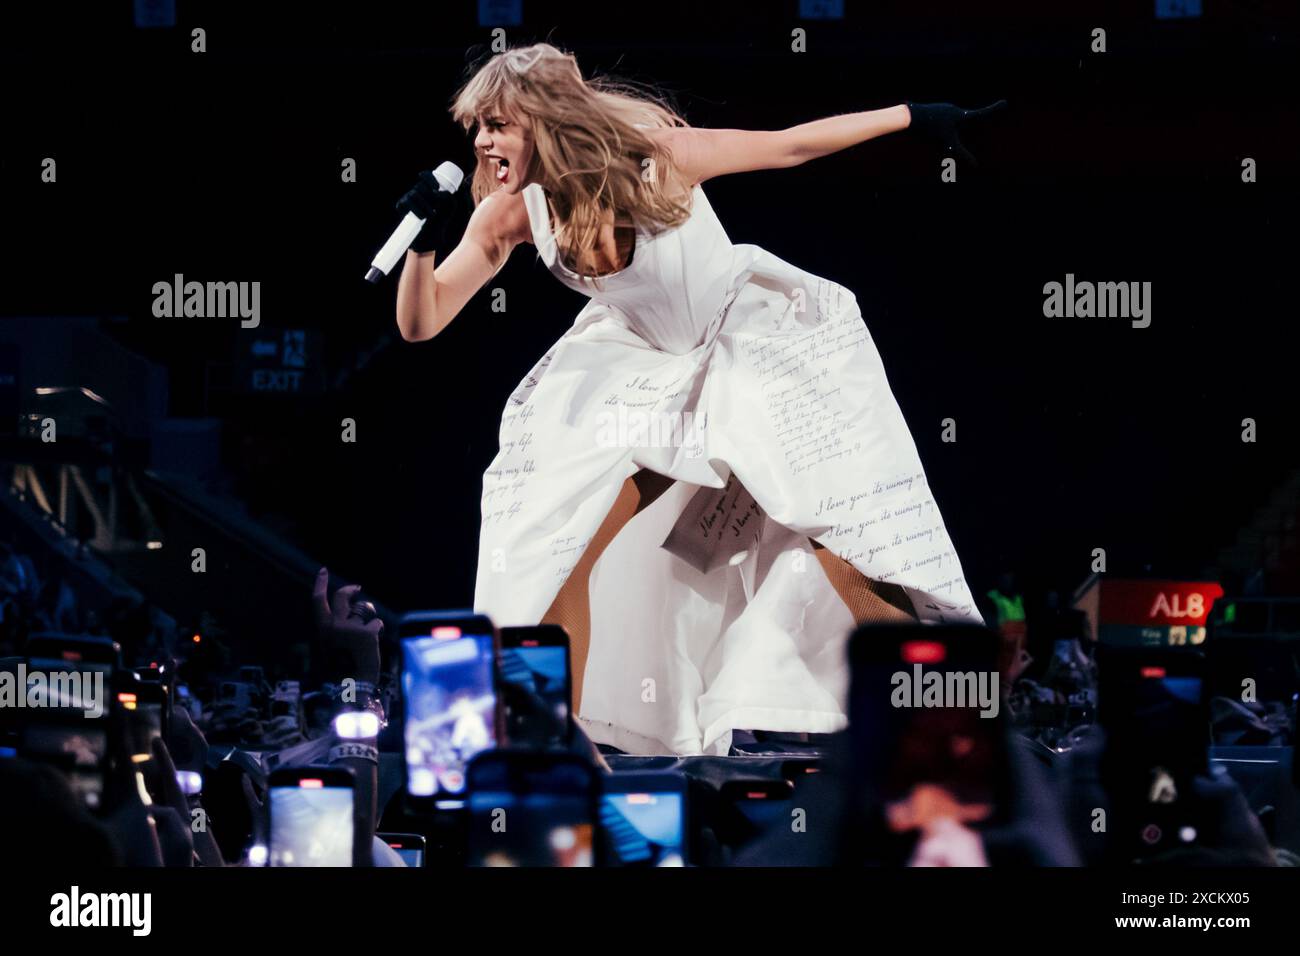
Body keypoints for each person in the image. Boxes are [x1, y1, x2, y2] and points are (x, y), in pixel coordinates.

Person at [394, 42, 1002, 756]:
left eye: (496, 124)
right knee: (557, 543)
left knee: (836, 529)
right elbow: (422, 322)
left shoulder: (654, 157)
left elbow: (790, 146)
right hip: (644, 377)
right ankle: (560, 744)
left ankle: (958, 708)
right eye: (476, 128)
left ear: (544, 119)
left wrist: (917, 117)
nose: (482, 142)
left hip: (746, 342)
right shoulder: (507, 214)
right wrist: (422, 248)